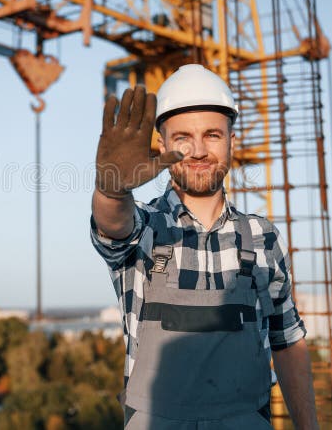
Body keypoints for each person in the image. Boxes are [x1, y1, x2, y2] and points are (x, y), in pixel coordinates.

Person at [90, 64, 319, 429]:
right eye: (182, 137)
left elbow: (288, 341)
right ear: (161, 145)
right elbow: (113, 224)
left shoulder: (263, 237)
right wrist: (111, 190)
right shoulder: (146, 229)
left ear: (232, 140)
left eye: (212, 134)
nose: (198, 151)